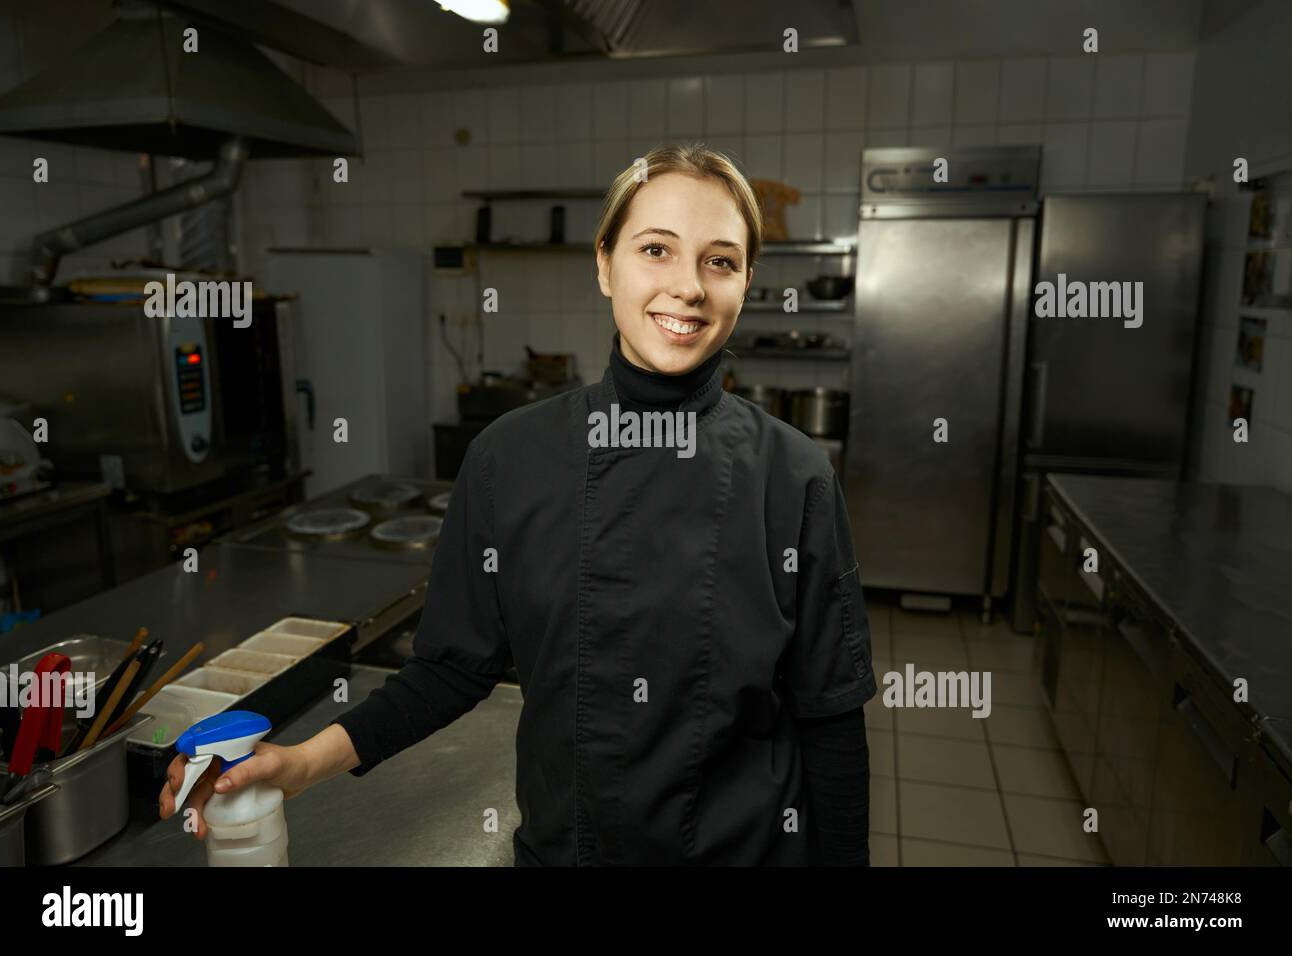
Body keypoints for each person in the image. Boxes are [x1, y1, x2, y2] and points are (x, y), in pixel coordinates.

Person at [159, 142, 877, 866]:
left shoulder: (796, 476)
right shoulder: (511, 457)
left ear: (747, 280)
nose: (688, 285)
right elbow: (451, 666)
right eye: (656, 249)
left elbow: (830, 716)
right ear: (604, 264)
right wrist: (303, 764)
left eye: (719, 260)